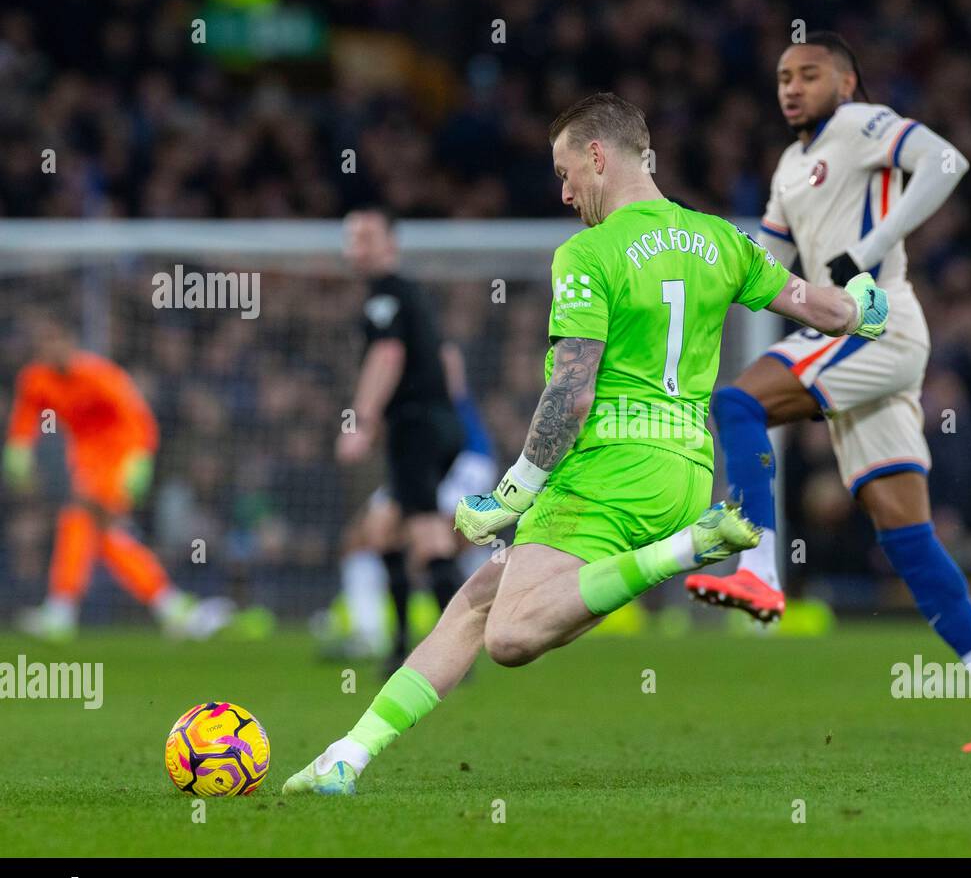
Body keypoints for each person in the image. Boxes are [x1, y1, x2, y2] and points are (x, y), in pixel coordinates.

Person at [283, 92, 887, 794]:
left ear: (599, 156)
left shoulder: (590, 253)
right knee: (479, 600)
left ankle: (686, 552)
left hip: (608, 469)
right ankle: (348, 756)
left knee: (509, 636)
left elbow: (572, 392)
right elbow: (816, 306)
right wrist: (863, 307)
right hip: (686, 467)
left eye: (567, 172)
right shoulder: (722, 239)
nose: (565, 192)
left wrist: (513, 492)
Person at [682, 32, 971, 751]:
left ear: (846, 82)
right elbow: (770, 274)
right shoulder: (789, 165)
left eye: (809, 74)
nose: (791, 86)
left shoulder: (859, 124)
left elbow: (947, 161)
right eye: (783, 75)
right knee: (906, 537)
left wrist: (867, 254)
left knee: (736, 403)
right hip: (846, 330)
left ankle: (758, 569)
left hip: (878, 320)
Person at [3, 317, 232, 640]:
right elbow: (27, 415)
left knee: (79, 519)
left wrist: (139, 459)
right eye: (43, 345)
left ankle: (62, 609)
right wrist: (19, 447)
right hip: (84, 459)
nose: (51, 351)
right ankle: (171, 606)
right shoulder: (36, 379)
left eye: (56, 342)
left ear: (70, 343)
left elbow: (136, 417)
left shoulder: (99, 375)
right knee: (106, 537)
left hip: (117, 457)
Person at [336, 207, 467, 675]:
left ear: (391, 243)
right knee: (384, 530)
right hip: (437, 423)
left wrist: (361, 421)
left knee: (429, 535)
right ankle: (398, 648)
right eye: (352, 238)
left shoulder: (386, 295)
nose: (357, 247)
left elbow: (388, 353)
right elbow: (448, 359)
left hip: (415, 426)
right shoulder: (411, 294)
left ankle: (457, 653)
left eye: (367, 237)